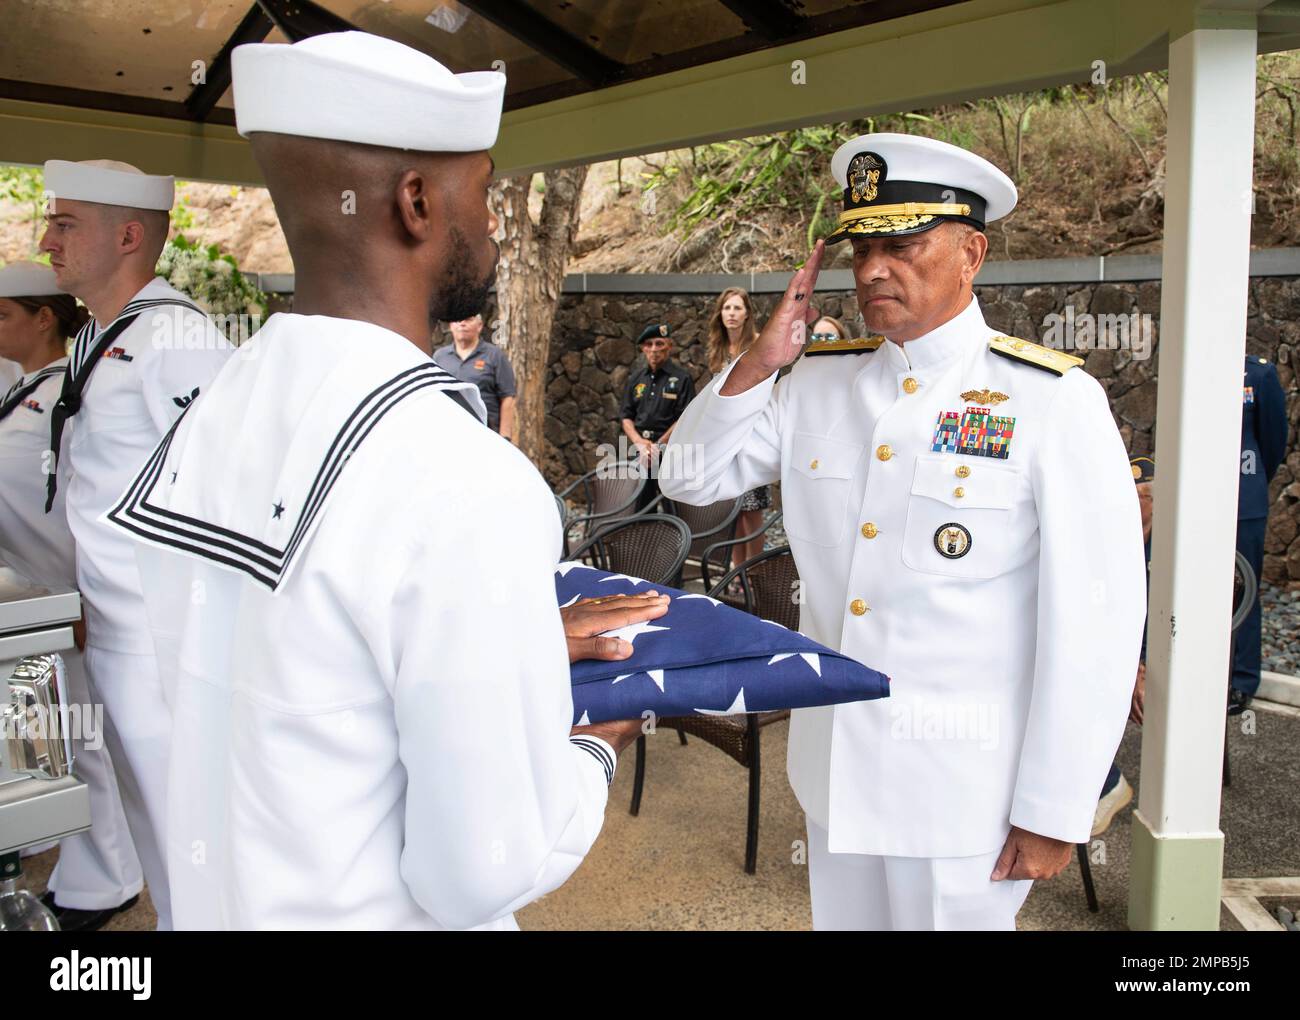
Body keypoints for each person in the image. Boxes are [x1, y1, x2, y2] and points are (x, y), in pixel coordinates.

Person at [104, 31, 666, 930]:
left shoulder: (210, 418)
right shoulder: (463, 480)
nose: (490, 225)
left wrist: (513, 647)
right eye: (482, 194)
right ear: (415, 202)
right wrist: (595, 748)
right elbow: (481, 872)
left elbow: (290, 670)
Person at [661, 133, 1145, 930]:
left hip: (964, 797)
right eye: (862, 247)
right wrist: (755, 363)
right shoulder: (817, 383)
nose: (874, 268)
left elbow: (1095, 620)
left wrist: (1056, 806)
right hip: (834, 776)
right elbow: (687, 477)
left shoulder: (1051, 402)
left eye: (903, 243)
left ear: (971, 253)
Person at [38, 158, 233, 929]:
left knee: (191, 840)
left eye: (65, 222)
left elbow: (219, 495)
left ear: (126, 235)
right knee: (154, 833)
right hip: (110, 631)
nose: (45, 237)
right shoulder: (101, 336)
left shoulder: (178, 338)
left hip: (162, 644)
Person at [0, 261, 143, 931]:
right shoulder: (17, 389)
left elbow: (90, 501)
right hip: (25, 597)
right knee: (39, 736)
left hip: (72, 596)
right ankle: (56, 853)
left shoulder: (68, 395)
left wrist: (88, 593)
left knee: (83, 740)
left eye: (4, 314)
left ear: (44, 318)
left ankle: (106, 878)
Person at [1230, 354, 1288, 714]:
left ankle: (1241, 680)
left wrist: (1251, 482)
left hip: (1244, 502)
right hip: (1200, 500)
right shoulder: (1194, 364)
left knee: (1244, 591)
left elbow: (1273, 439)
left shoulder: (1259, 373)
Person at [706, 288, 770, 569]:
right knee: (731, 505)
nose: (731, 313)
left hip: (751, 434)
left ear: (747, 314)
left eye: (737, 308)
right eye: (727, 308)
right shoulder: (718, 348)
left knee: (751, 509)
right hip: (723, 436)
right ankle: (735, 568)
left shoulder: (757, 345)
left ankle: (753, 570)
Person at [620, 323, 695, 508]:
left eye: (659, 343)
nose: (654, 349)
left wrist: (658, 445)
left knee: (673, 507)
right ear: (643, 348)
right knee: (641, 507)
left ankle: (675, 538)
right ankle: (647, 536)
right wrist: (639, 442)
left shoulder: (682, 378)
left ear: (669, 346)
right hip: (641, 449)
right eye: (649, 344)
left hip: (670, 450)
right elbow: (626, 416)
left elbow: (685, 417)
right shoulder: (636, 379)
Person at [432, 312, 517, 440]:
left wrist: (505, 437)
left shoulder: (495, 356)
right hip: (448, 433)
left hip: (486, 433)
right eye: (457, 320)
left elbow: (508, 398)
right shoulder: (440, 357)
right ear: (450, 326)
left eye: (468, 319)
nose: (462, 323)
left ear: (479, 325)